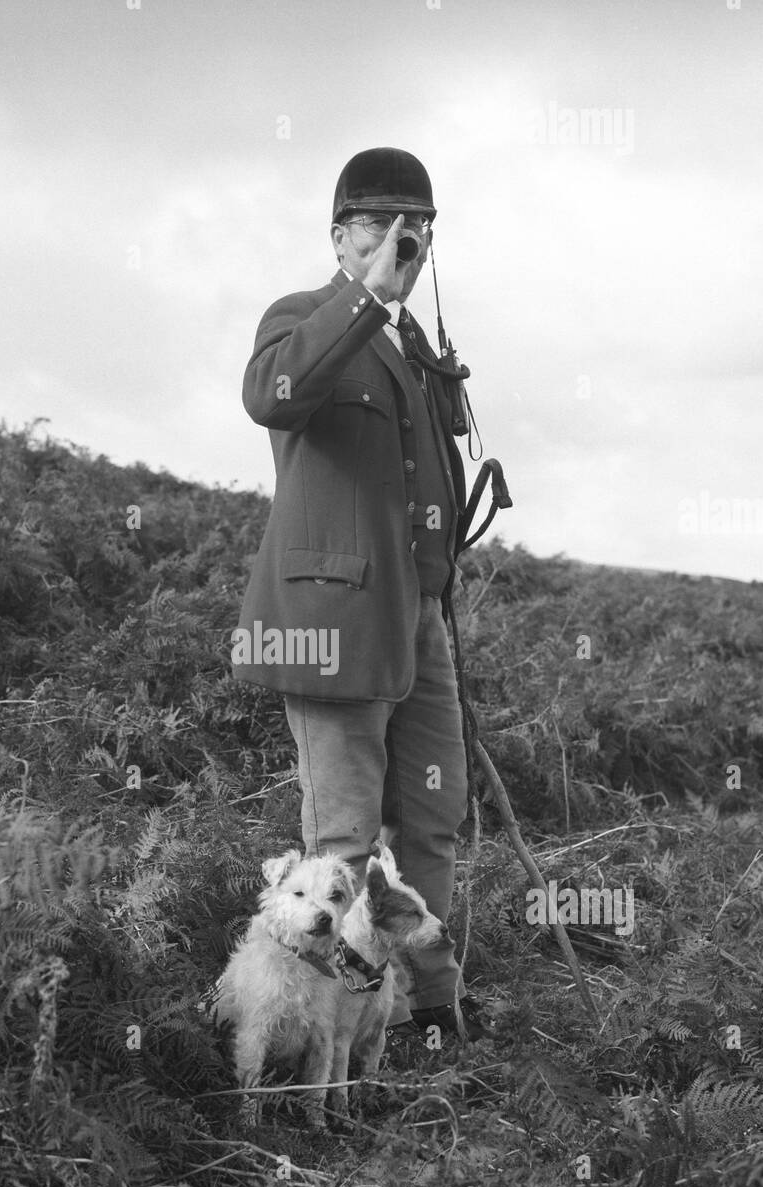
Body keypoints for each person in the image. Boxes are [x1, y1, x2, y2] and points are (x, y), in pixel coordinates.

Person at [232, 147, 492, 1041]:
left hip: (417, 622)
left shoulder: (415, 350)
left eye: (413, 229)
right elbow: (274, 395)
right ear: (339, 234)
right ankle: (329, 1035)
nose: (398, 242)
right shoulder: (305, 316)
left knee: (433, 818)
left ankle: (425, 1009)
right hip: (331, 624)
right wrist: (370, 293)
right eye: (377, 224)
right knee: (340, 845)